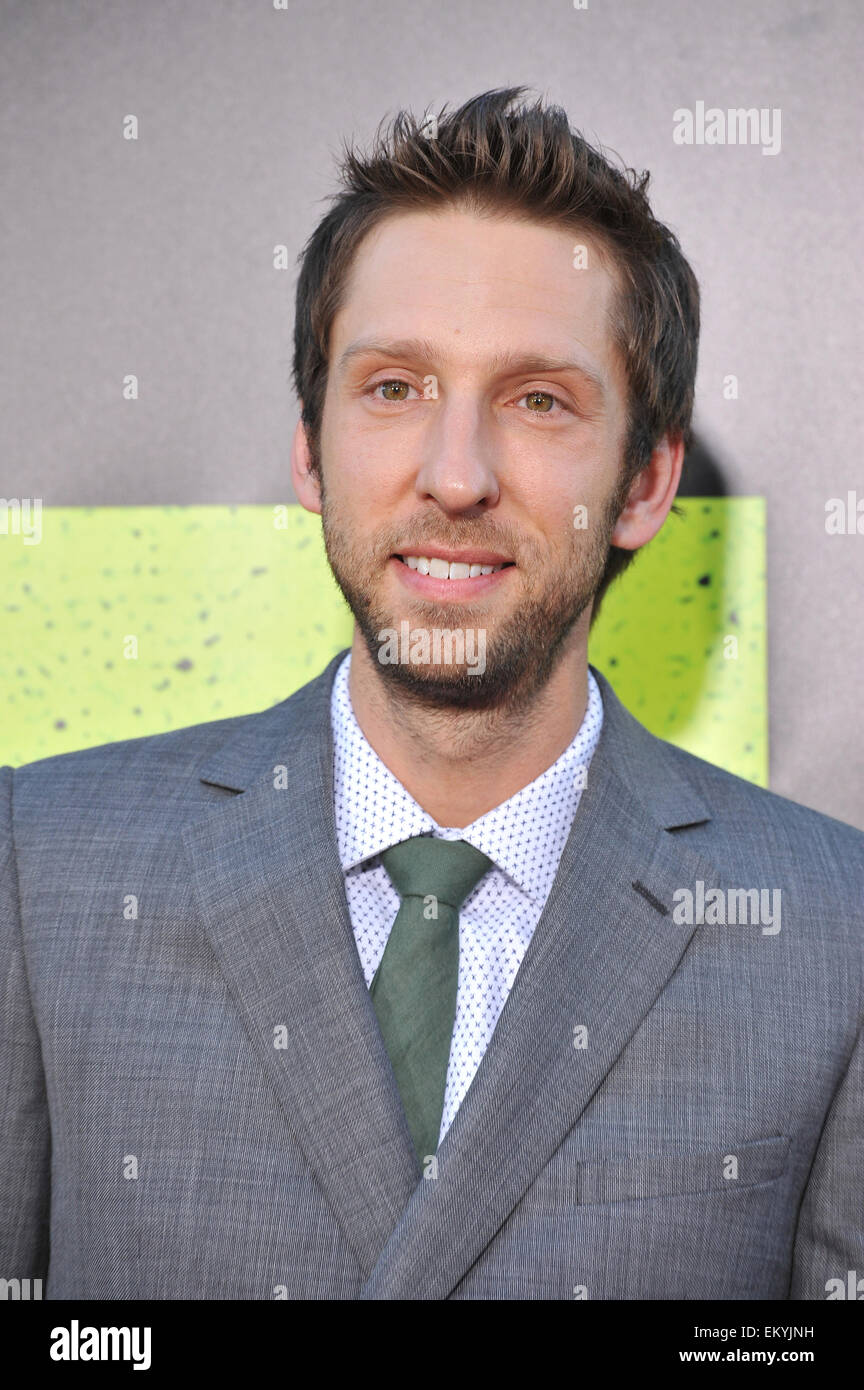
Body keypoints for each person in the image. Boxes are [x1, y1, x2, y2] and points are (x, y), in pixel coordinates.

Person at [1, 88, 861, 1301]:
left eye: (538, 399)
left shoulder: (835, 934)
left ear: (644, 485)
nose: (455, 475)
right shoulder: (43, 868)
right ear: (311, 449)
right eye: (395, 388)